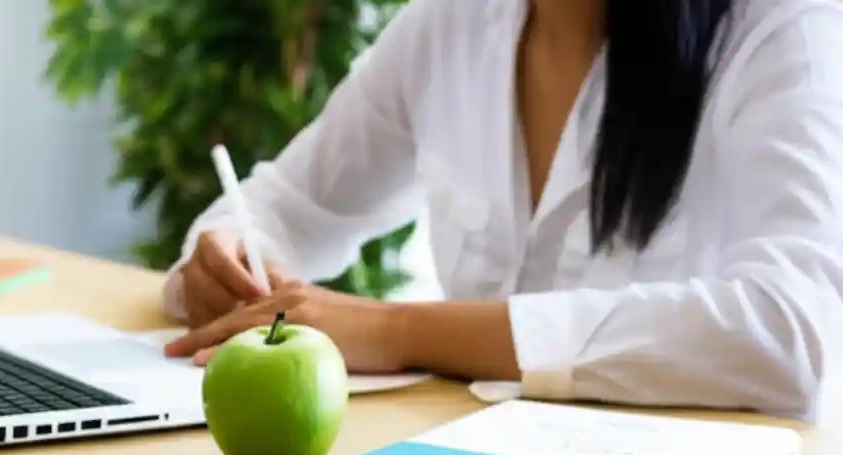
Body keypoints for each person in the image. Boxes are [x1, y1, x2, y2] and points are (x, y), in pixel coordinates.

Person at [162, 0, 843, 421]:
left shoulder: (782, 29)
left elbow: (790, 329)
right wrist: (225, 252)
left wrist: (400, 330)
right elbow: (292, 202)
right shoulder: (448, 23)